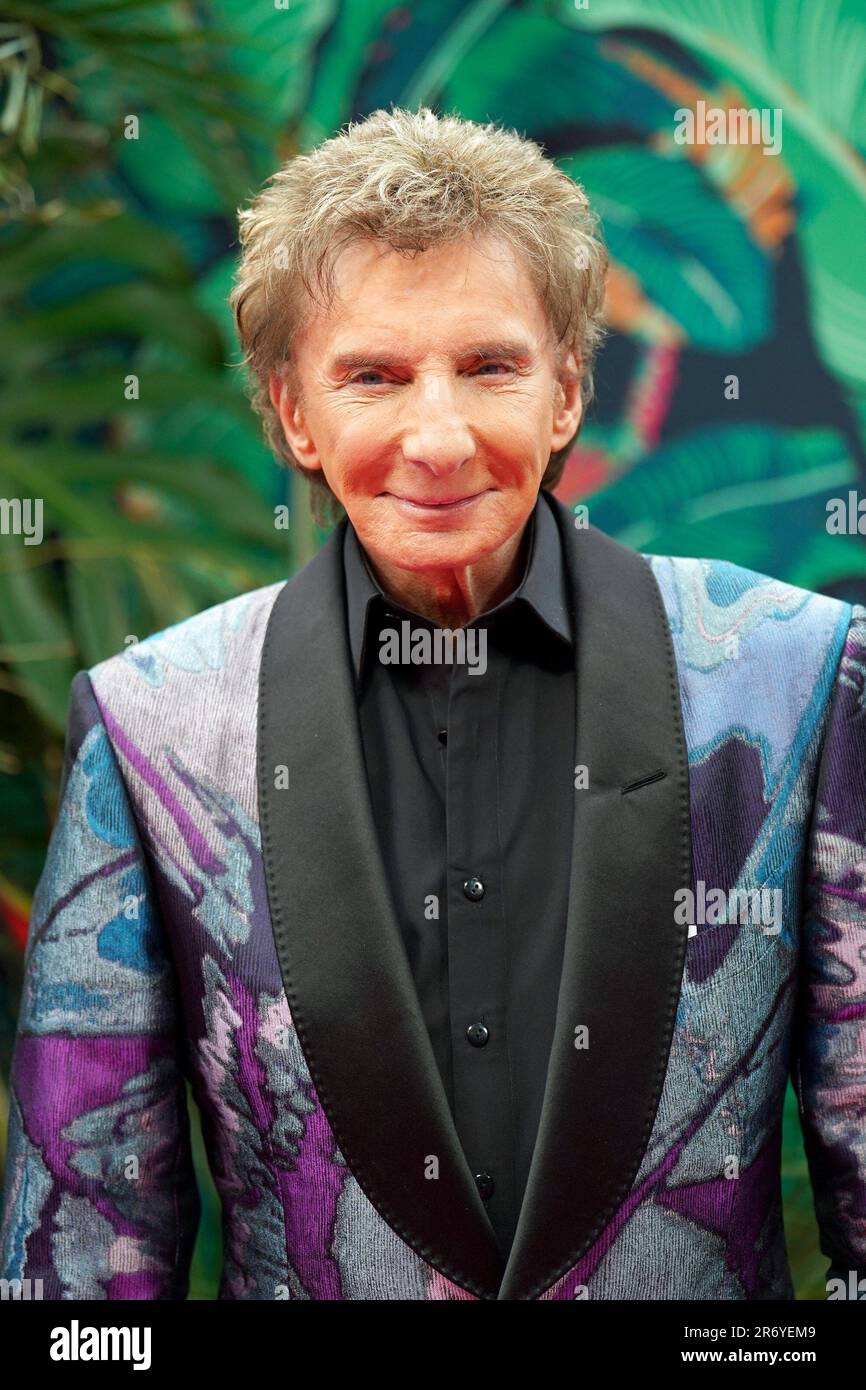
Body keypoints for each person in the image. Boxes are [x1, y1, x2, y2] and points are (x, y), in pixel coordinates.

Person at [1, 107, 864, 1302]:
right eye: (373, 375)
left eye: (490, 366)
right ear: (294, 412)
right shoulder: (155, 723)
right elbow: (81, 1258)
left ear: (565, 392)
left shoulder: (794, 670)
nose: (439, 436)